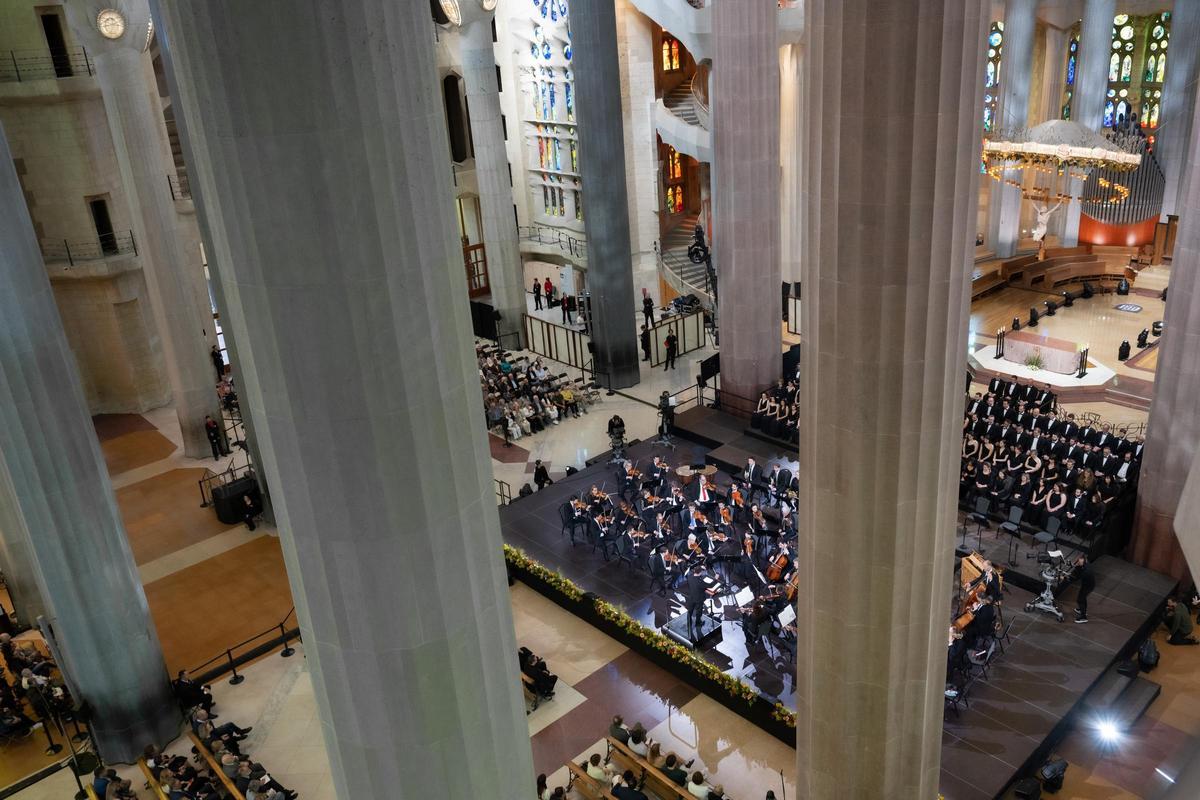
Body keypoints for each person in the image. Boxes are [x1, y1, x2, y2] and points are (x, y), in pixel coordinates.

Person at [1073, 554, 1095, 623]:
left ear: (1083, 559)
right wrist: (1078, 566)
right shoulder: (1086, 563)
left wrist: (1076, 567)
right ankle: (1082, 610)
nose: (1078, 562)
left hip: (1088, 586)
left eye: (1079, 561)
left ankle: (1083, 617)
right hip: (1087, 585)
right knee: (1083, 598)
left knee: (1080, 600)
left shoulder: (1086, 571)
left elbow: (1076, 578)